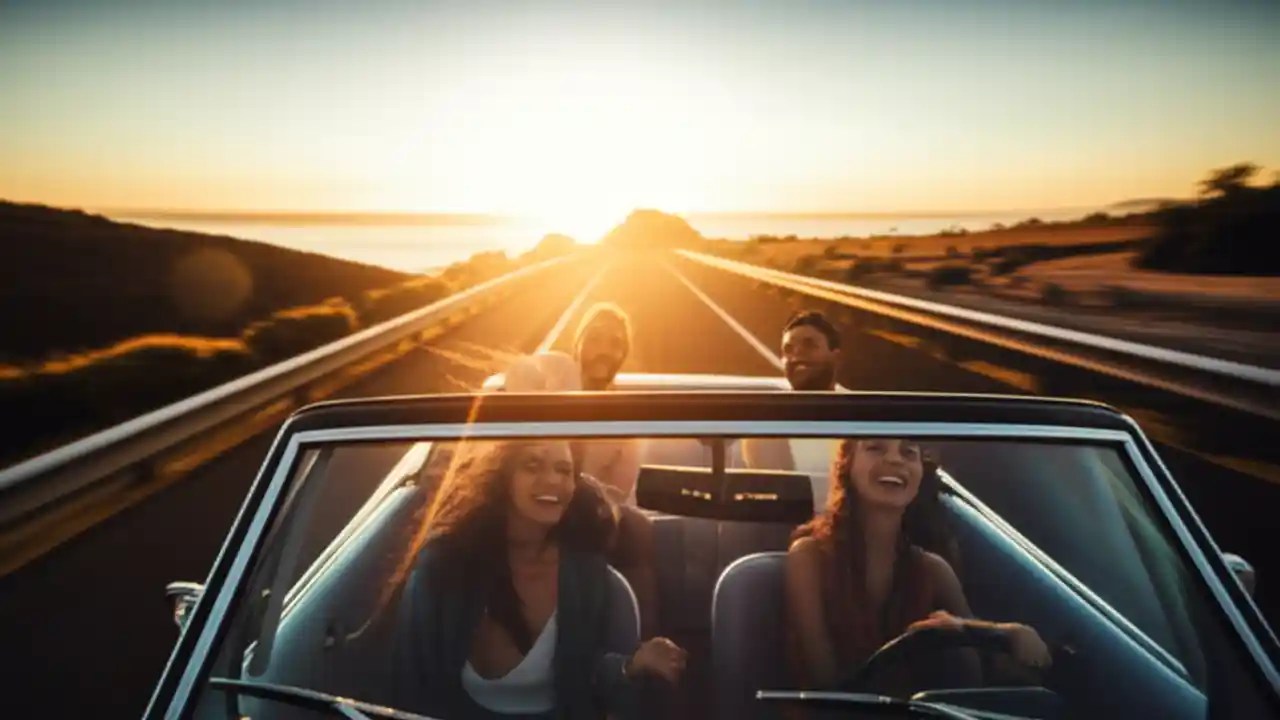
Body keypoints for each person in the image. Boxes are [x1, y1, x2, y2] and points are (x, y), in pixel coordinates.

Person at [389, 439, 687, 719]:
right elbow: (410, 687)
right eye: (533, 465)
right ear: (503, 477)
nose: (554, 481)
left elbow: (583, 679)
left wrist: (632, 665)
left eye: (563, 470)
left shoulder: (587, 575)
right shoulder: (443, 567)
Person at [784, 437, 1051, 697]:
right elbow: (824, 688)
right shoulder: (809, 558)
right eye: (876, 448)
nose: (893, 459)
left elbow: (975, 679)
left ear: (920, 474)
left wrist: (1010, 634)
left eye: (908, 452)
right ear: (847, 466)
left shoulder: (933, 570)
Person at [568, 304, 659, 638]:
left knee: (635, 526)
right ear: (577, 344)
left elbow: (616, 494)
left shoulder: (625, 417)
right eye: (595, 339)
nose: (605, 350)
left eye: (616, 343)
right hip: (531, 506)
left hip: (590, 519)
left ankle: (643, 642)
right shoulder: (544, 392)